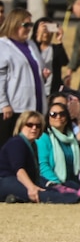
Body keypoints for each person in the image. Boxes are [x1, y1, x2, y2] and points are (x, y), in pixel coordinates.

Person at [0, 111, 80, 203]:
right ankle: (77, 199)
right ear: (21, 126)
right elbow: (19, 170)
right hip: (6, 180)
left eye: (38, 126)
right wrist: (31, 187)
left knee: (54, 188)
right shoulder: (17, 142)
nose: (34, 128)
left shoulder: (31, 145)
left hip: (17, 180)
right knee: (39, 193)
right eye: (29, 125)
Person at [0, 9, 46, 146]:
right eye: (26, 25)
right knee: (11, 146)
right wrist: (3, 103)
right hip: (14, 108)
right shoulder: (3, 45)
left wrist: (43, 75)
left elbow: (35, 70)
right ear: (14, 24)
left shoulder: (31, 45)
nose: (29, 29)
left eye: (31, 25)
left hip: (34, 105)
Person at [37, 100, 80, 190]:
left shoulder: (72, 138)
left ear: (67, 118)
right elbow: (43, 166)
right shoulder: (44, 138)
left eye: (62, 114)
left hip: (73, 181)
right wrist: (57, 184)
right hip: (54, 182)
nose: (58, 117)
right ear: (48, 118)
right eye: (53, 114)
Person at [33, 18, 68, 95]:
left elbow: (64, 62)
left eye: (49, 29)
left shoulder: (55, 49)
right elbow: (32, 57)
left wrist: (59, 41)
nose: (46, 33)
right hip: (34, 90)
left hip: (52, 90)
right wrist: (39, 37)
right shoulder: (32, 47)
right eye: (43, 28)